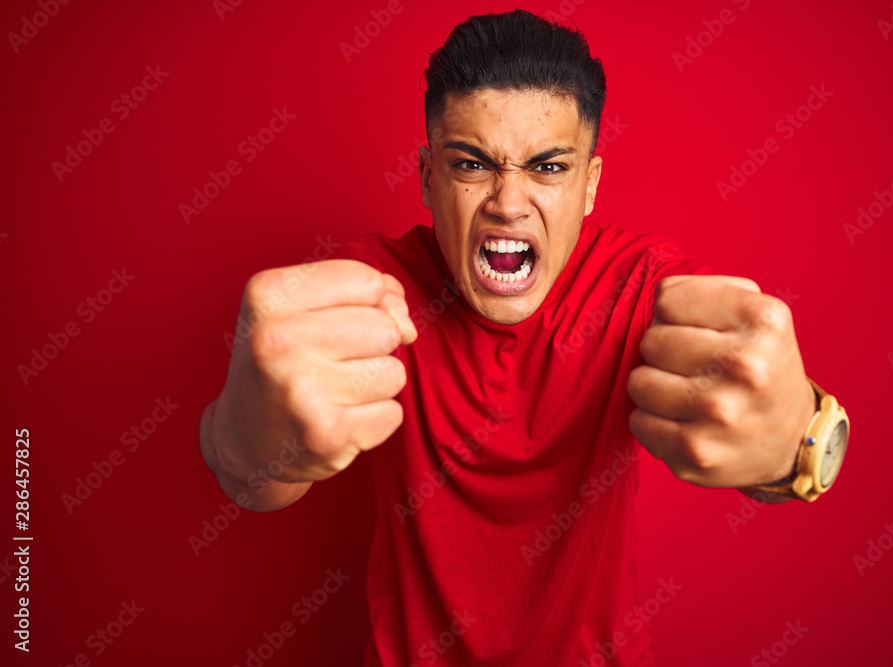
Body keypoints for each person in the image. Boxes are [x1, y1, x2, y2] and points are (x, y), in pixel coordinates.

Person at [199, 9, 848, 666]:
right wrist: (240, 442)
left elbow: (763, 403)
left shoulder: (641, 286)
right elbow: (252, 473)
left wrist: (797, 439)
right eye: (472, 164)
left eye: (548, 167)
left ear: (590, 184)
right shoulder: (372, 291)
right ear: (428, 178)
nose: (508, 202)